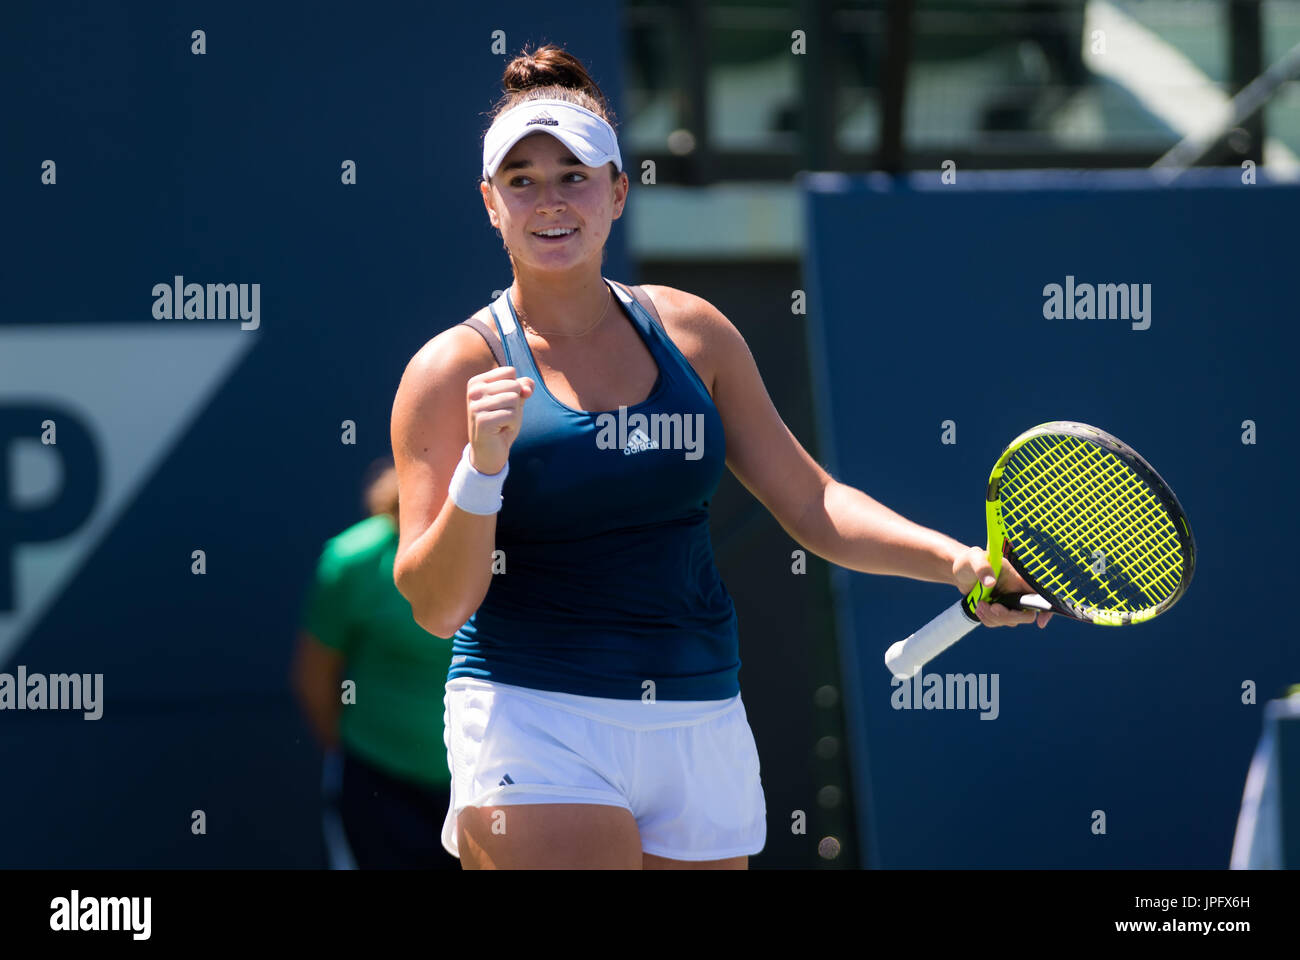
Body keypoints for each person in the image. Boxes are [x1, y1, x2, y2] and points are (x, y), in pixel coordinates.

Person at [389, 44, 1052, 870]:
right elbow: (435, 605)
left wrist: (958, 561)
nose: (549, 200)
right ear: (491, 203)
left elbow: (813, 503)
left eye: (575, 175)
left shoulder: (694, 332)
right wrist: (481, 472)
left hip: (698, 712)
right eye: (521, 179)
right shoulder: (451, 370)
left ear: (619, 191)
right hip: (532, 713)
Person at [293, 459, 459, 869]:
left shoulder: (506, 554)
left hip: (477, 782)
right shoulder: (352, 561)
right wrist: (355, 756)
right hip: (377, 781)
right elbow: (314, 678)